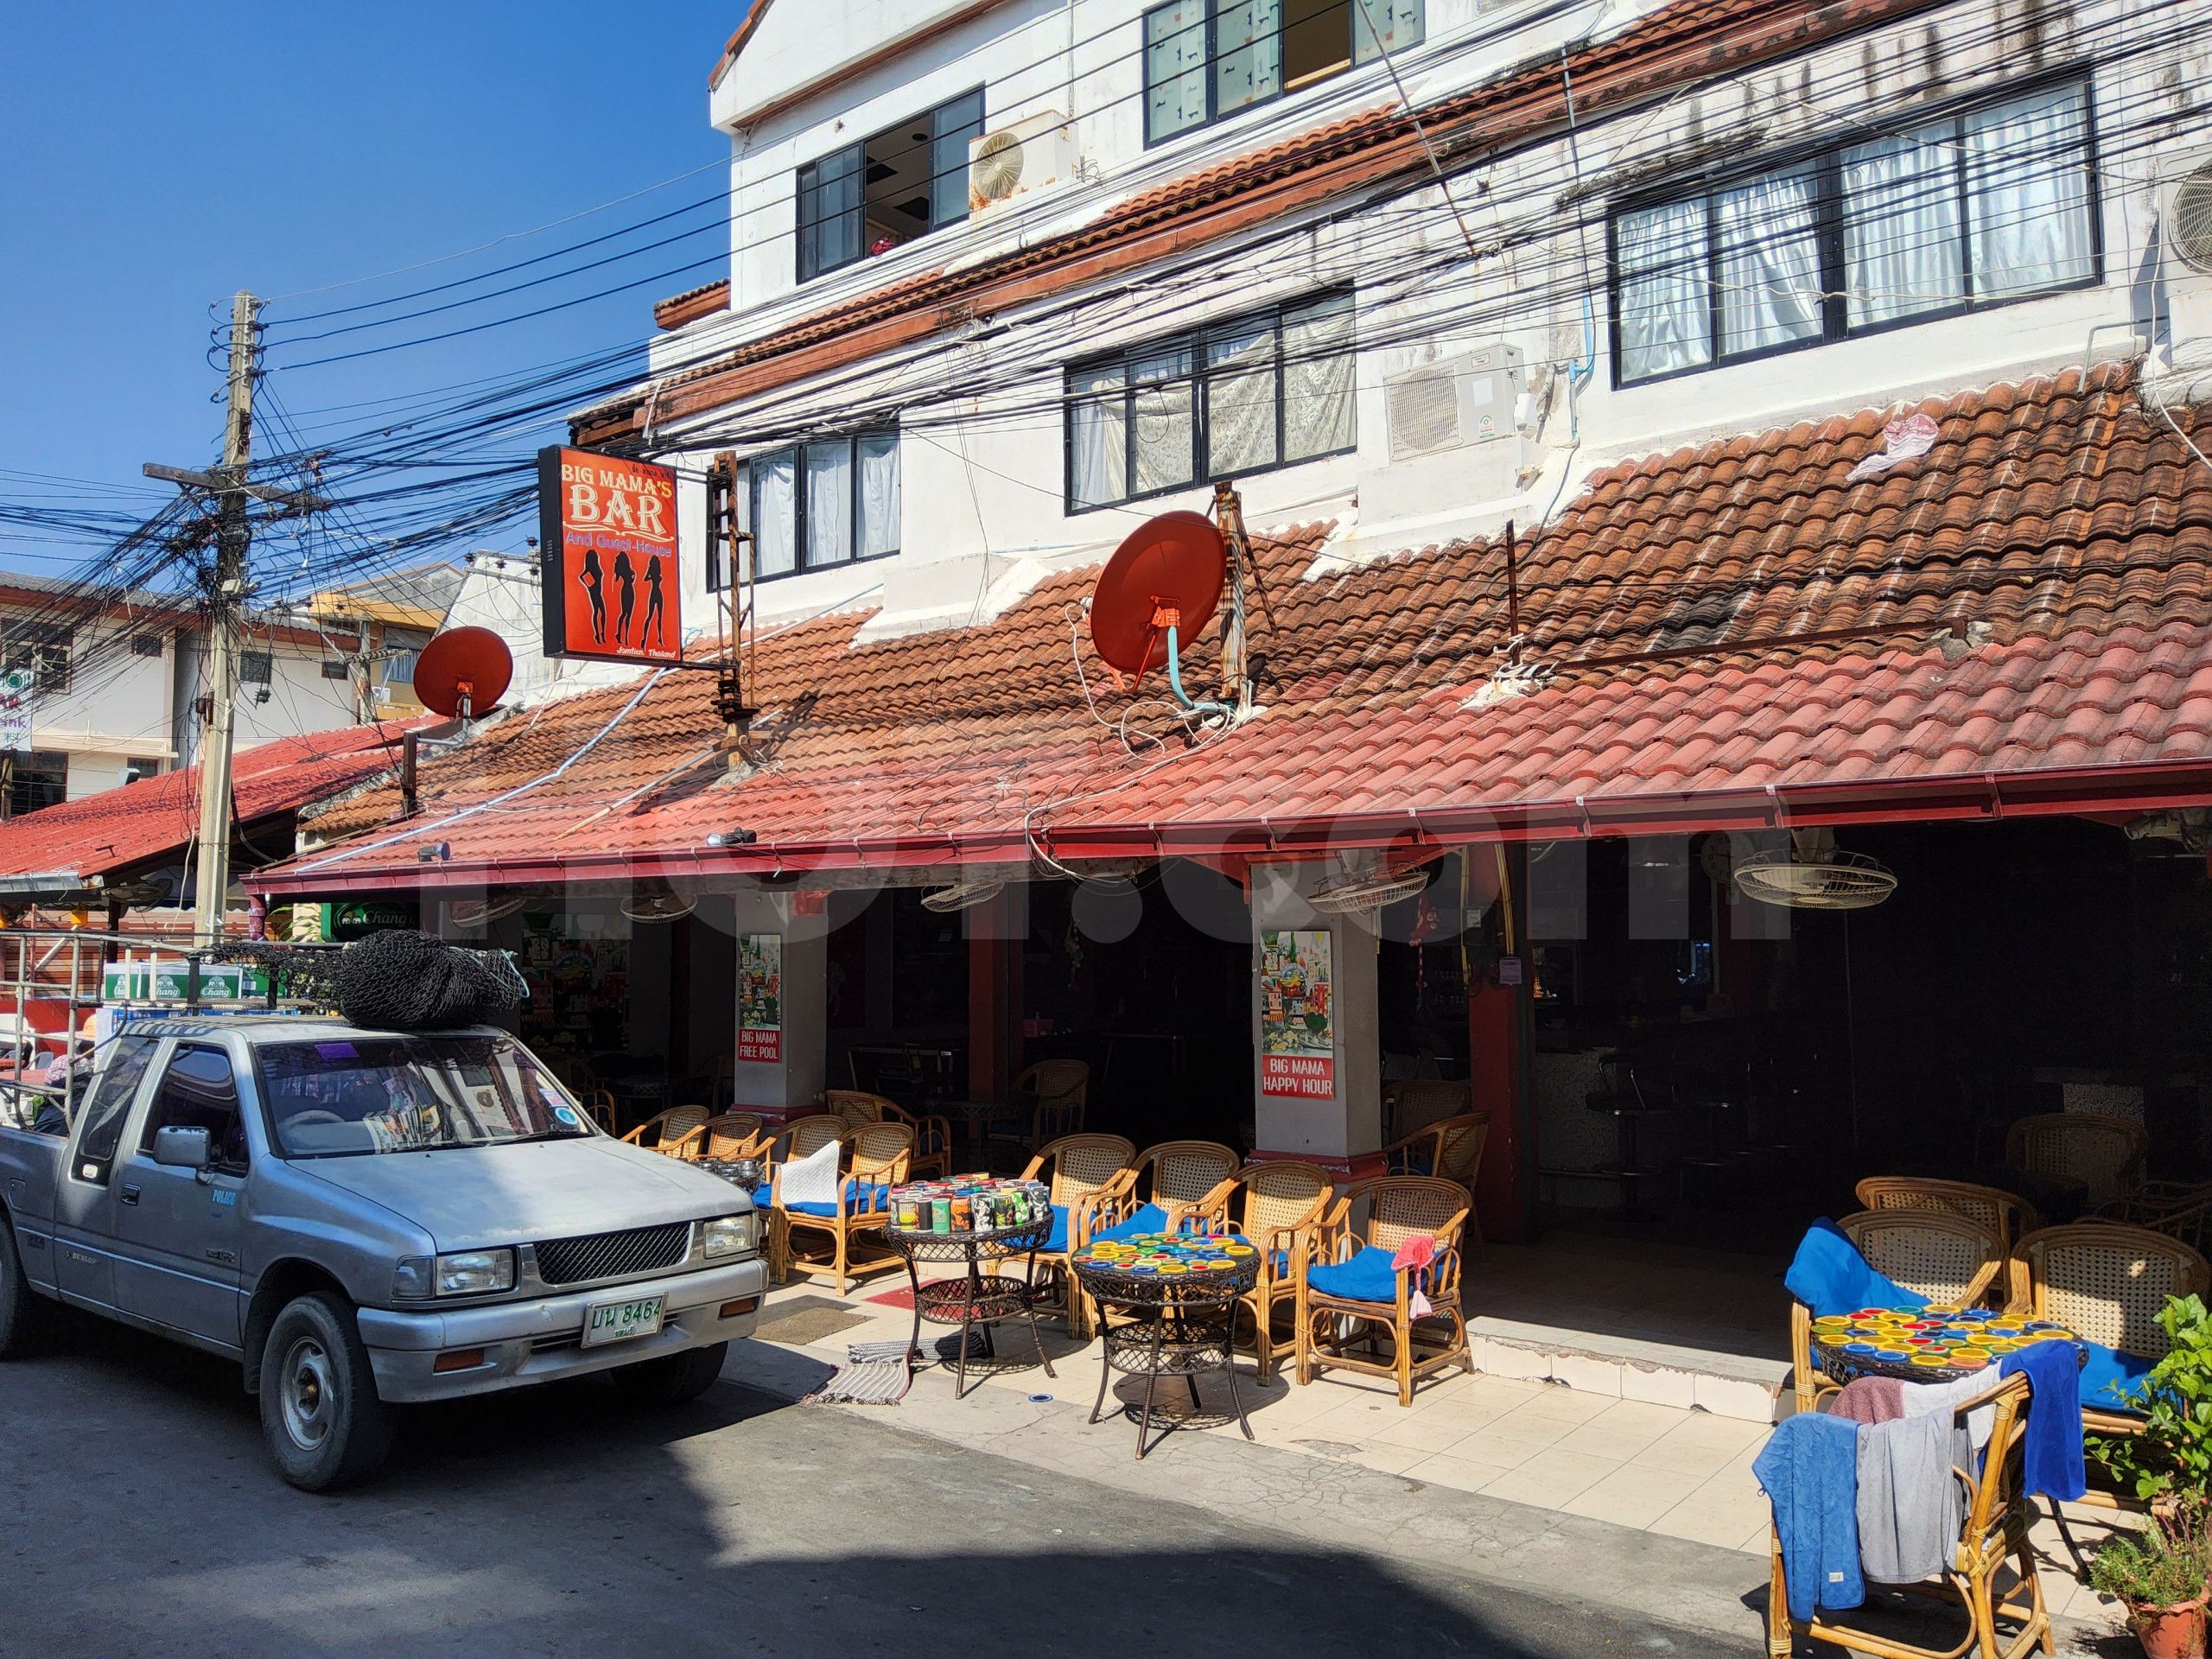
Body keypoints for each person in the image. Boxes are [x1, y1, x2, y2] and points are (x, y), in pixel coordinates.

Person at [579, 547, 607, 645]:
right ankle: (598, 635)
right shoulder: (590, 568)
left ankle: (602, 634)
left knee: (602, 612)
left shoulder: (597, 567)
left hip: (598, 592)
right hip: (594, 591)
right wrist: (588, 586)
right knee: (597, 611)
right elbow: (581, 576)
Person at [641, 554, 667, 652]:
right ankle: (645, 638)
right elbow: (645, 578)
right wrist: (651, 576)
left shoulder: (654, 569)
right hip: (655, 592)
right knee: (651, 616)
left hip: (656, 592)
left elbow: (646, 578)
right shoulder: (653, 570)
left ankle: (659, 638)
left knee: (658, 617)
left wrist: (651, 576)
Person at [613, 549, 637, 649]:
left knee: (626, 614)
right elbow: (632, 580)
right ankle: (622, 635)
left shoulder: (624, 571)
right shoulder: (629, 571)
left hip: (627, 590)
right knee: (626, 614)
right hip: (628, 590)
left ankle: (624, 636)